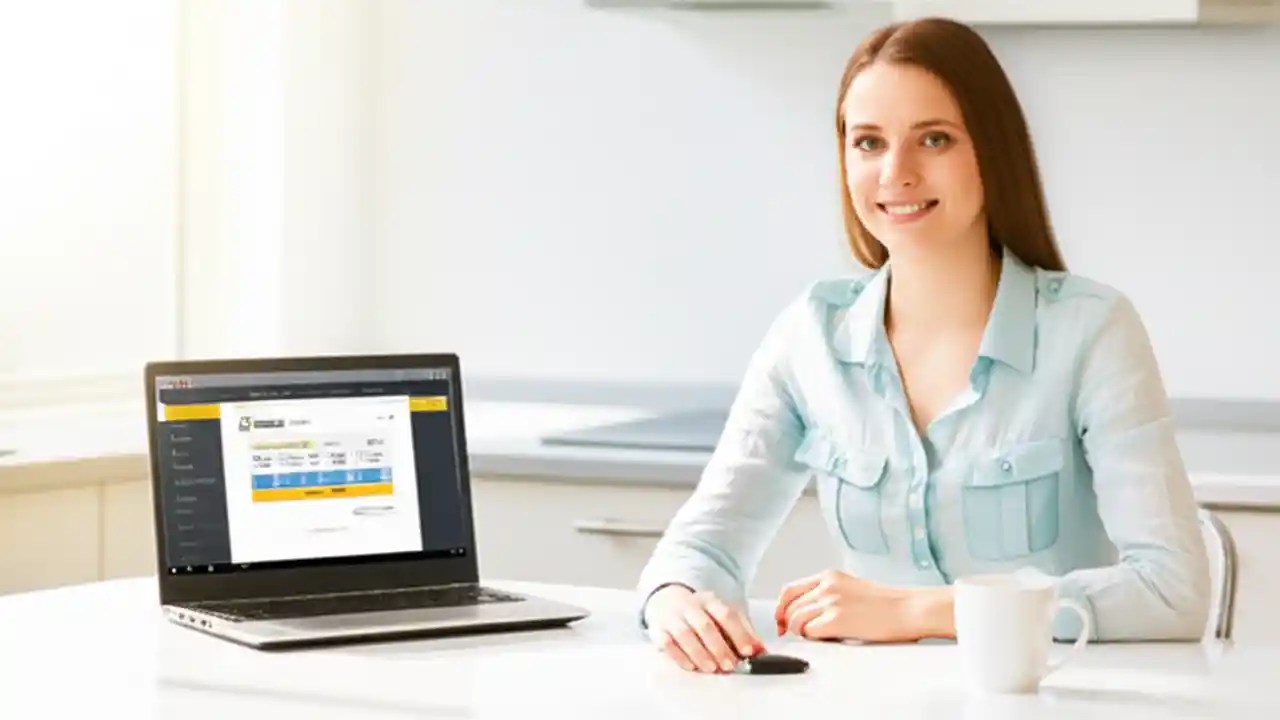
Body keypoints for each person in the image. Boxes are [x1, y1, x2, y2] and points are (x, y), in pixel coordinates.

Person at [635, 17, 1210, 675]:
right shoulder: (810, 337)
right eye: (869, 143)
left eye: (933, 139)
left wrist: (920, 611)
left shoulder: (1092, 330)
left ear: (991, 151)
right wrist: (676, 601)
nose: (896, 172)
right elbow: (701, 549)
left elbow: (1172, 592)